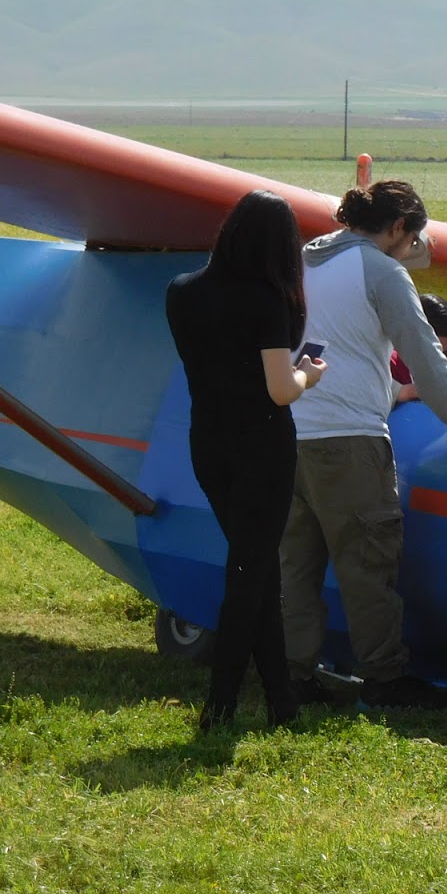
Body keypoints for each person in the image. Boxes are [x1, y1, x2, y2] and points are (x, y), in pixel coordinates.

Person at [281, 180, 447, 711]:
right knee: (369, 562)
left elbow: (400, 257)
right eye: (412, 234)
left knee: (296, 566)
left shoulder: (309, 257)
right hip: (350, 439)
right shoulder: (382, 272)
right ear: (399, 228)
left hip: (289, 431)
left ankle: (292, 673)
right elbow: (426, 357)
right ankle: (383, 677)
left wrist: (402, 246)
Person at [165, 189, 327, 731]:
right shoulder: (267, 300)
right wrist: (312, 374)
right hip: (262, 447)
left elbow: (216, 367)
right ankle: (221, 706)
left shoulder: (181, 292)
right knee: (249, 574)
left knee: (254, 570)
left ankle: (282, 700)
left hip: (208, 444)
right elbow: (280, 391)